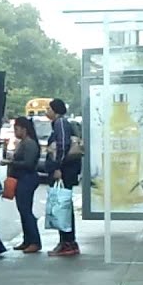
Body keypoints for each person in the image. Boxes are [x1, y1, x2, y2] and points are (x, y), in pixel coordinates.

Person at [43, 98, 82, 256]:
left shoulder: (60, 124)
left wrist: (58, 166)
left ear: (56, 110)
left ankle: (68, 242)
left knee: (63, 205)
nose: (47, 112)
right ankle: (66, 241)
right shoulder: (60, 123)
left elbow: (62, 145)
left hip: (65, 171)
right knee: (63, 205)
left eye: (49, 109)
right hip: (66, 170)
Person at [1, 116, 42, 253]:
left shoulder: (29, 144)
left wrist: (10, 163)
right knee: (22, 210)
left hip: (27, 179)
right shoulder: (23, 142)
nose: (15, 132)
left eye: (16, 129)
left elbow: (28, 164)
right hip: (22, 179)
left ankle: (35, 241)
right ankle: (27, 240)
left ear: (24, 129)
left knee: (26, 211)